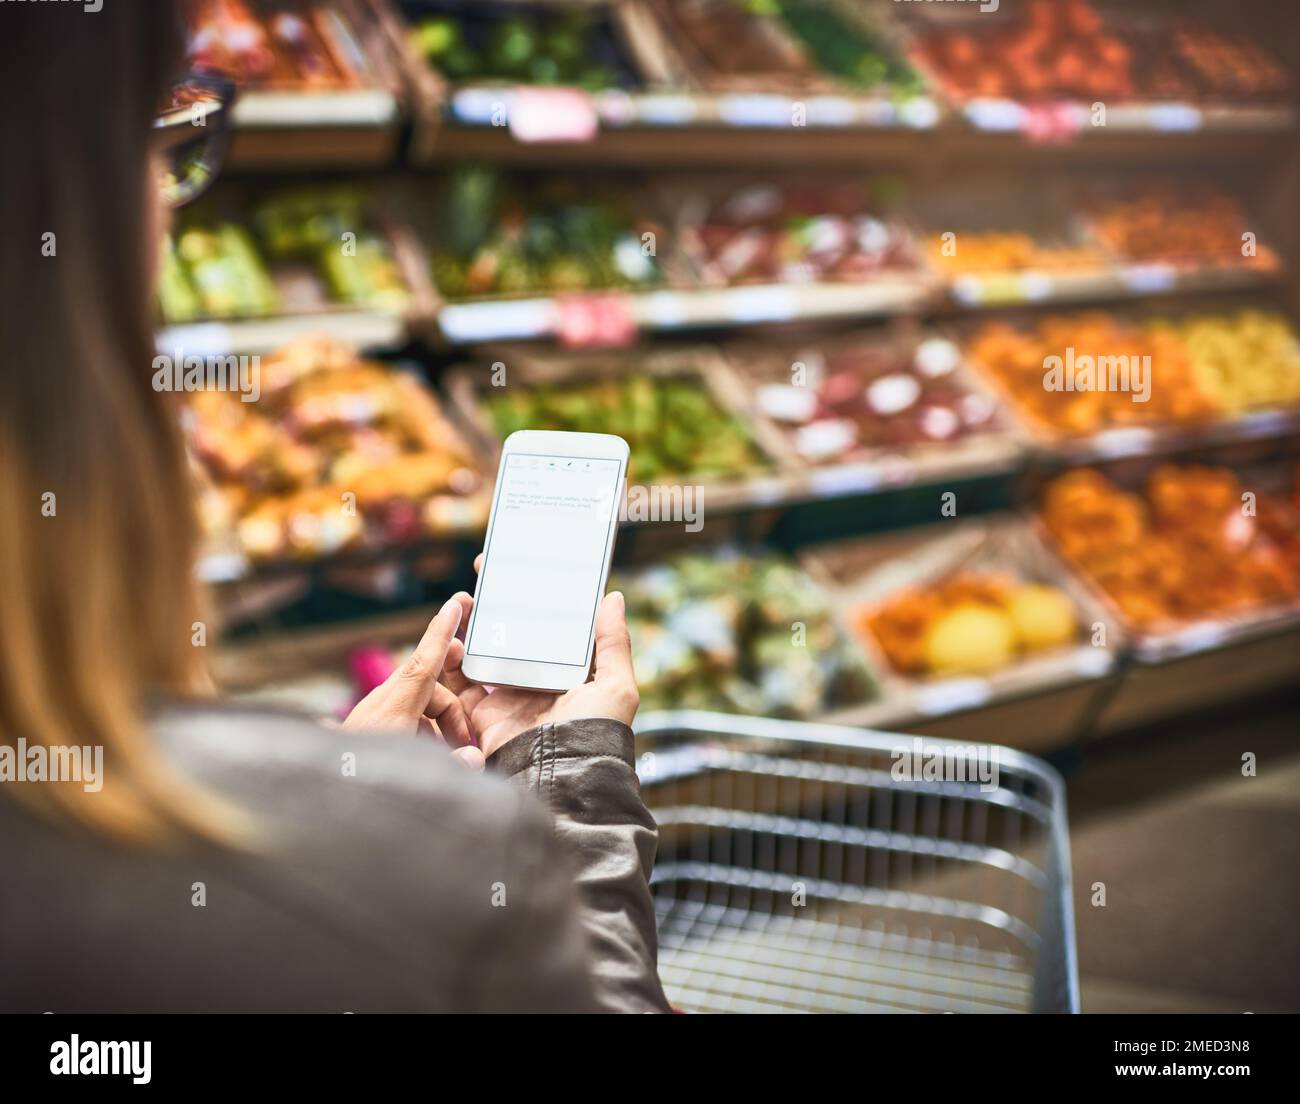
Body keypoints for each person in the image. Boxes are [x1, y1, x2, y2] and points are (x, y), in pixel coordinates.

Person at [0, 4, 669, 1013]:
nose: (171, 196)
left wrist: (346, 783)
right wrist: (559, 789)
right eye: (154, 130)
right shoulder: (424, 861)